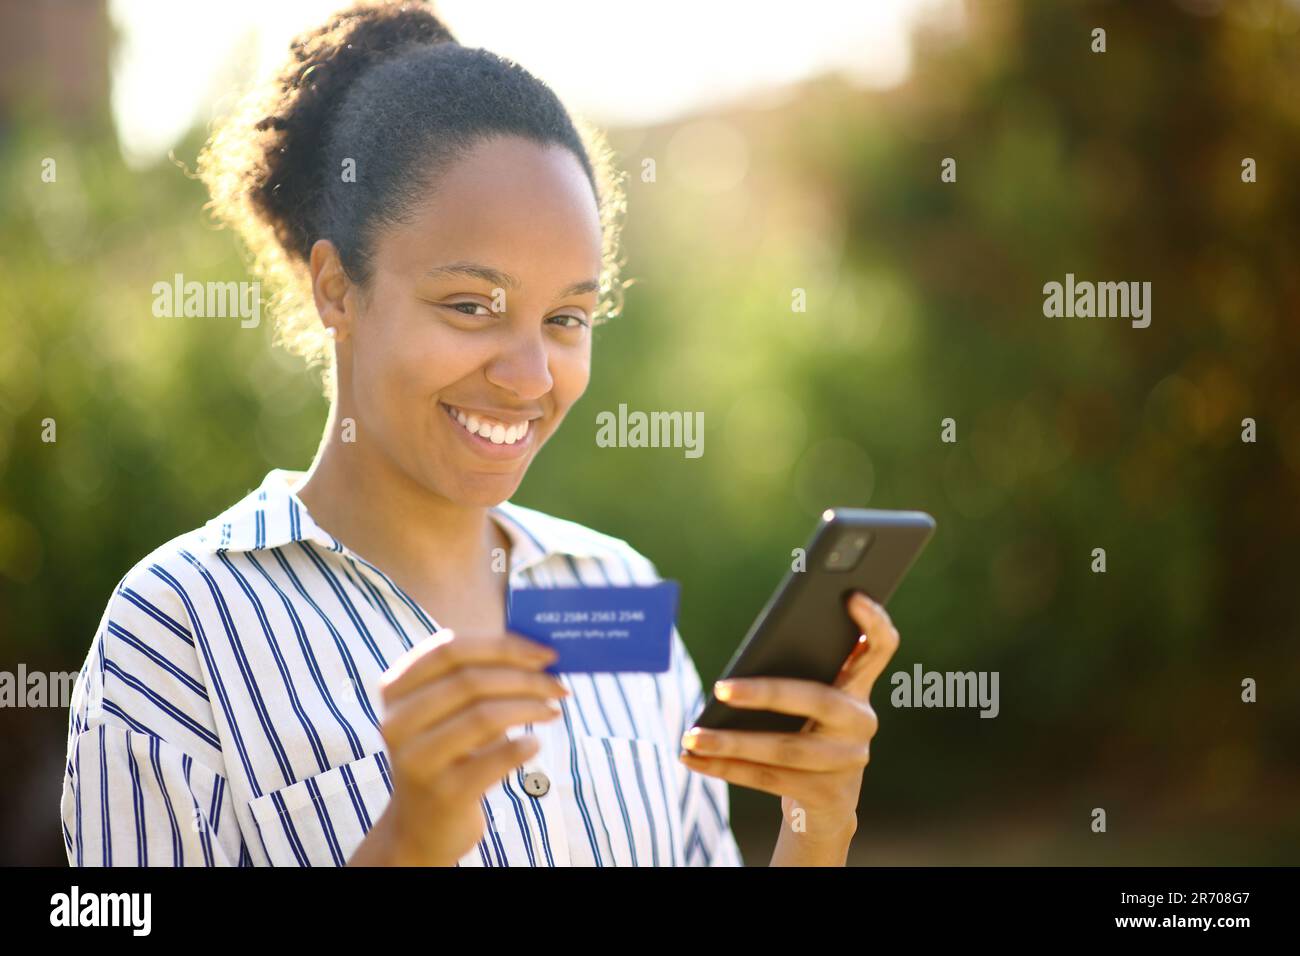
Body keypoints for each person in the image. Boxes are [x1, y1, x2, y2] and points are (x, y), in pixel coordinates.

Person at [60, 0, 900, 867]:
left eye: (568, 318)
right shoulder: (180, 630)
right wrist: (408, 844)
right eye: (470, 307)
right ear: (337, 289)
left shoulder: (611, 592)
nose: (531, 377)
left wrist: (816, 825)